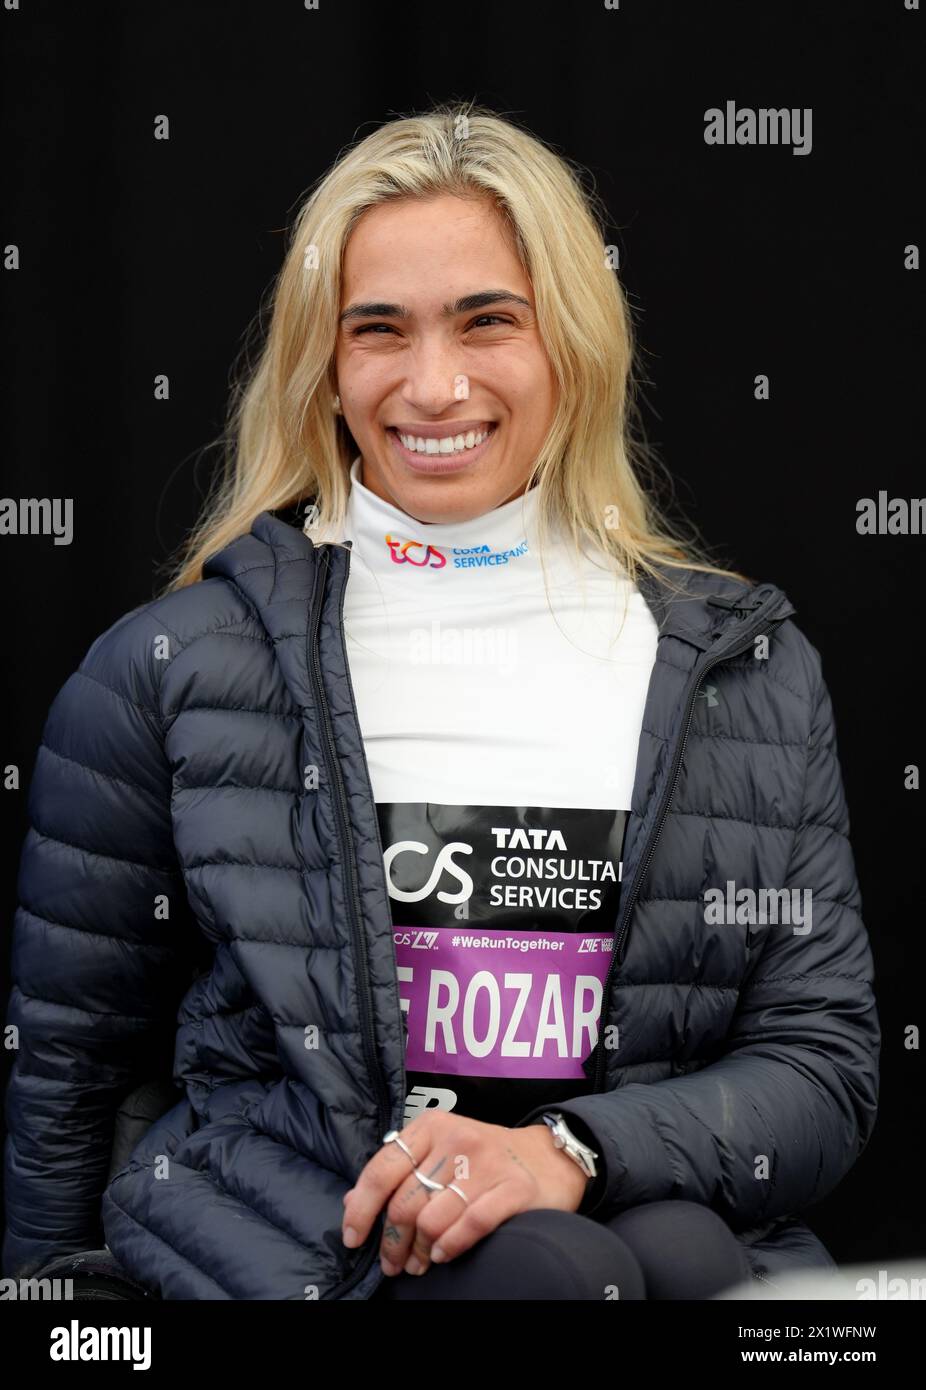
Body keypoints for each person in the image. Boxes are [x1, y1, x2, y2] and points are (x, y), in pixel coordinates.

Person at [2, 103, 879, 1301]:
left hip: (638, 1233)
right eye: (378, 331)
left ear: (570, 338)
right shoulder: (169, 669)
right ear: (324, 361)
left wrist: (567, 1149)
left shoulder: (744, 670)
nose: (432, 383)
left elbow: (818, 1068)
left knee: (659, 1260)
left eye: (487, 322)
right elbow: (69, 1078)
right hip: (306, 1249)